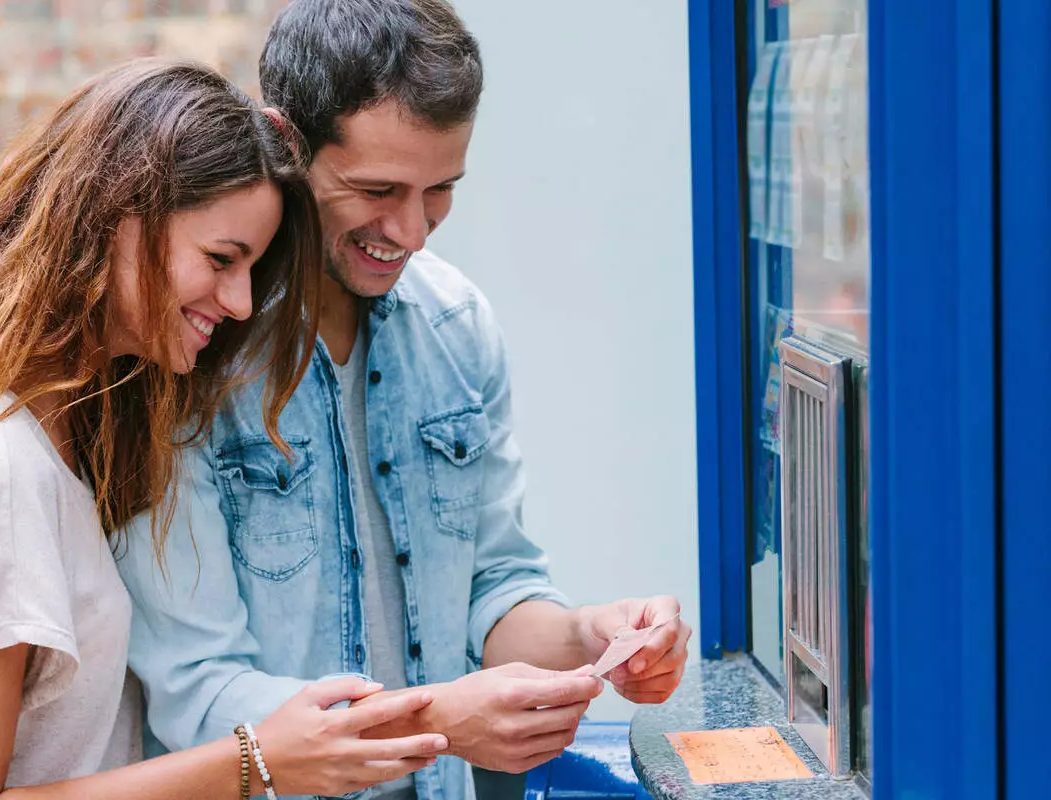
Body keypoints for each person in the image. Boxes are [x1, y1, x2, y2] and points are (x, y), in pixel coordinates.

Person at [118, 3, 693, 799]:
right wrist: (441, 721)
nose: (413, 231)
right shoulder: (186, 352)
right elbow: (200, 696)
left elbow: (492, 587)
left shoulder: (458, 328)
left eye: (441, 191)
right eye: (378, 189)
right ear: (286, 145)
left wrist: (586, 635)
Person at [0, 59, 451, 800]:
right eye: (221, 260)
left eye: (251, 271)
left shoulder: (59, 426)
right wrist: (254, 759)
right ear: (114, 217)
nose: (237, 303)